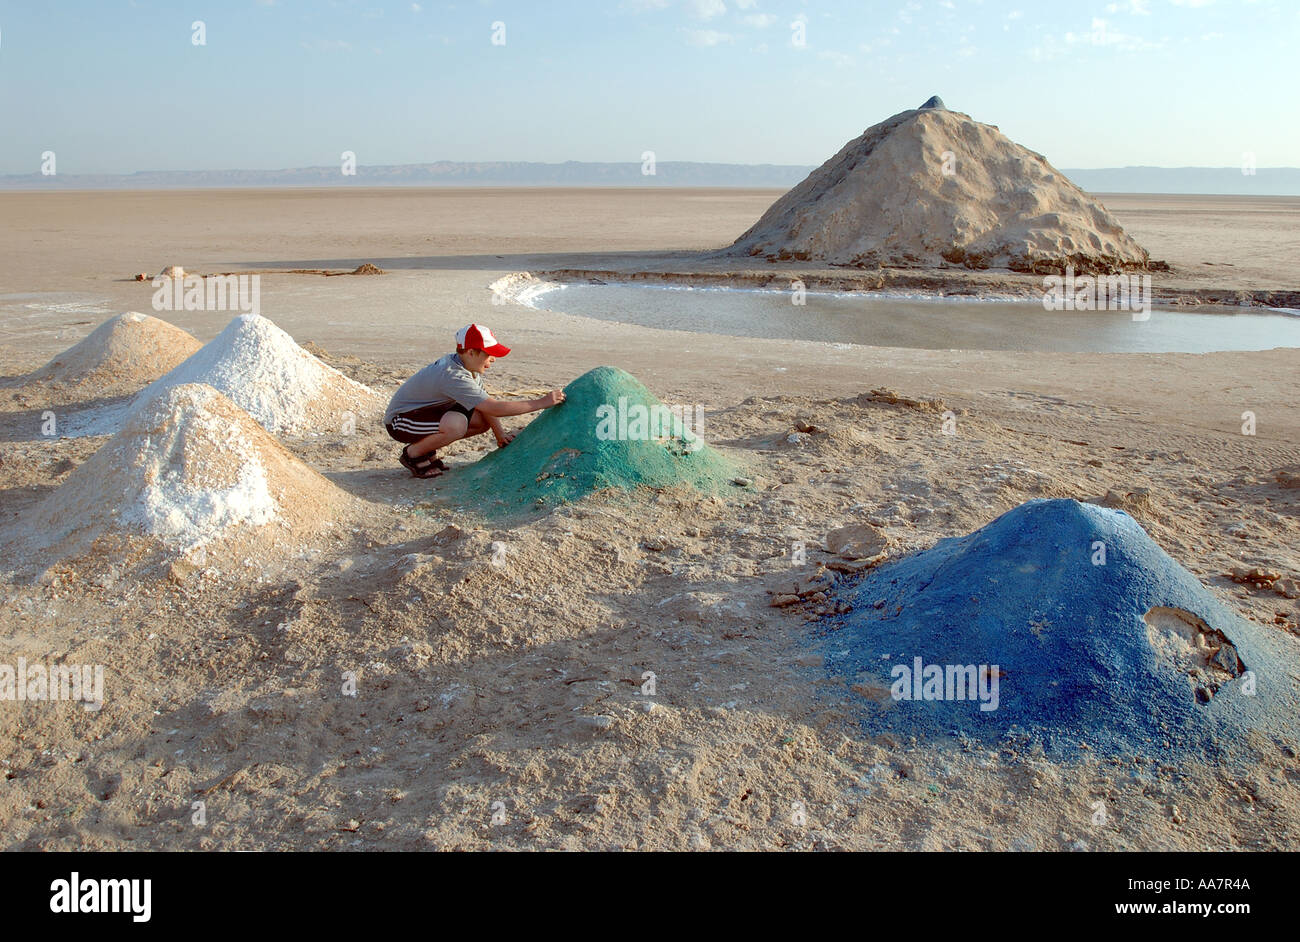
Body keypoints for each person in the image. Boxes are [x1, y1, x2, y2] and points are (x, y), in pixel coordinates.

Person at [383, 323, 565, 478]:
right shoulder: (453, 375)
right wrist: (542, 402)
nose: (493, 359)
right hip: (400, 422)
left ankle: (425, 448)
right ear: (471, 352)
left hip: (423, 414)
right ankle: (412, 454)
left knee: (481, 421)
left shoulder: (467, 368)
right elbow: (495, 407)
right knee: (456, 426)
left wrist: (499, 435)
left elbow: (486, 406)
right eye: (489, 354)